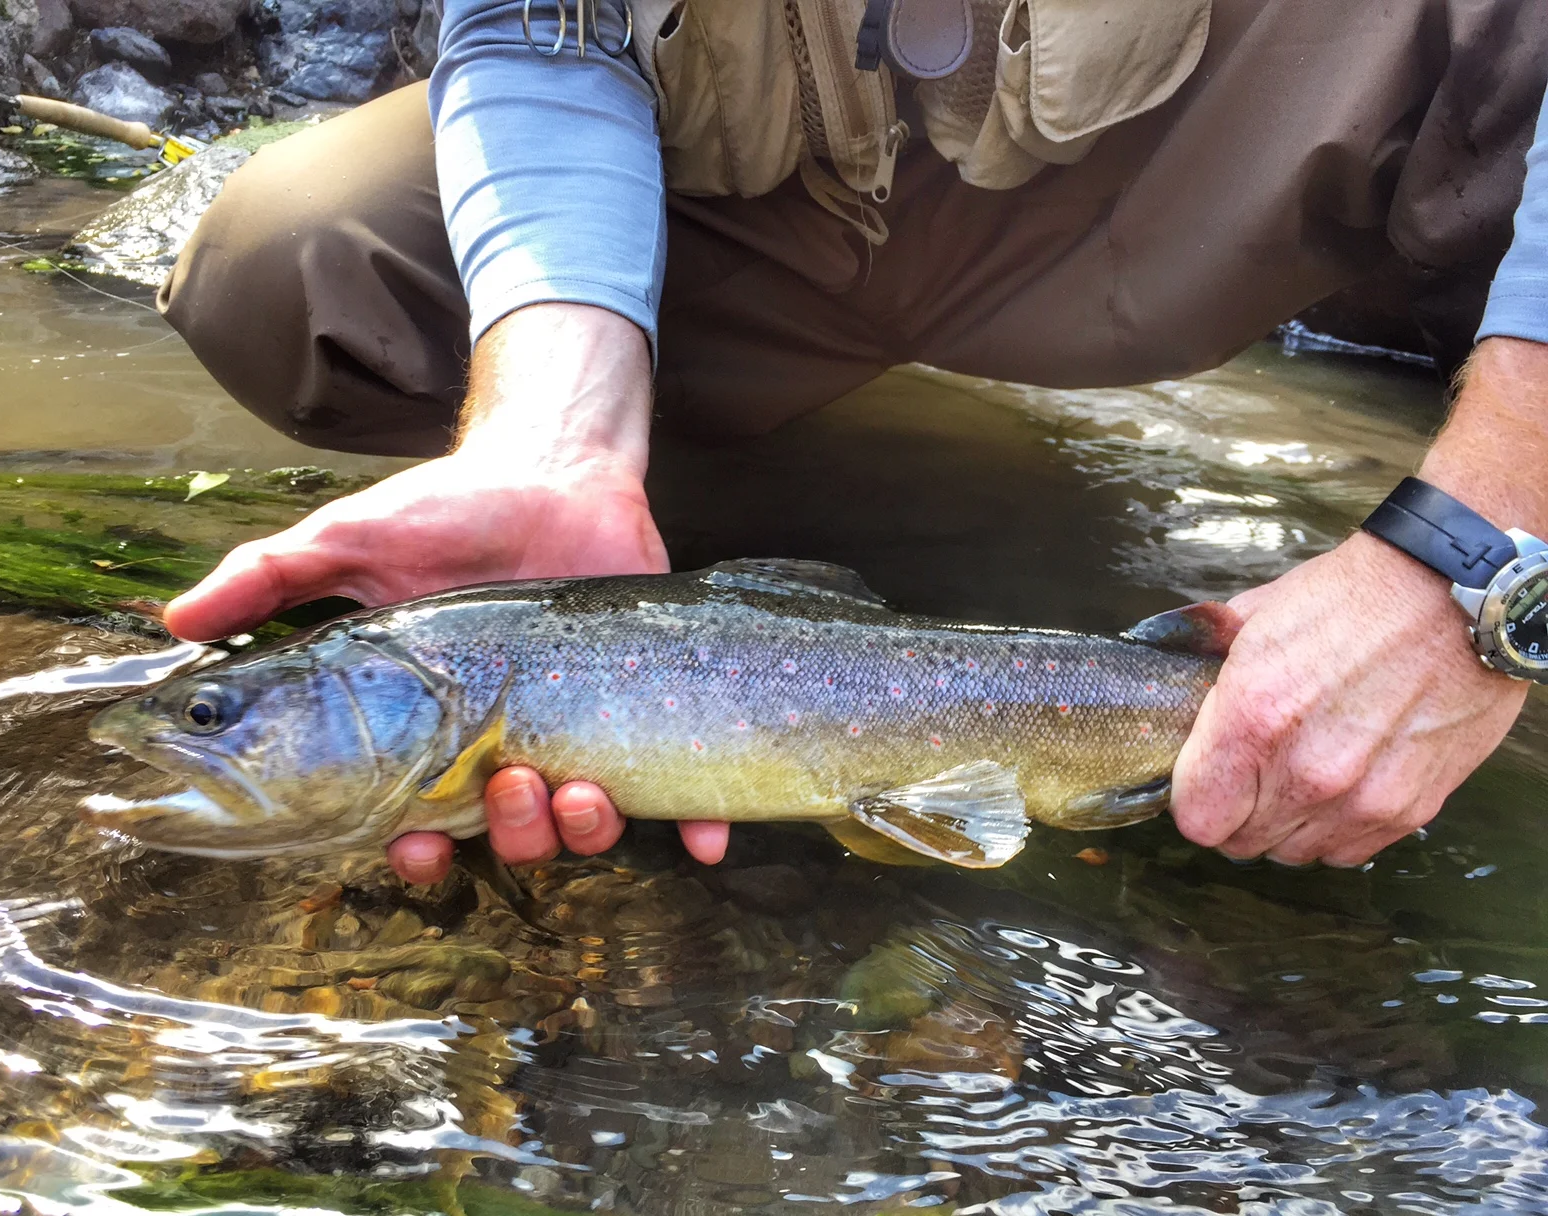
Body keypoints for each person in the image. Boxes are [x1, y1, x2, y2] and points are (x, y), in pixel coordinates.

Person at [156, 0, 1548, 885]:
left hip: (1185, 176)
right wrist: (550, 437)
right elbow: (537, 22)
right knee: (294, 263)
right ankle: (667, 463)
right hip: (765, 187)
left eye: (212, 718)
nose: (196, 731)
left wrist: (1474, 561)